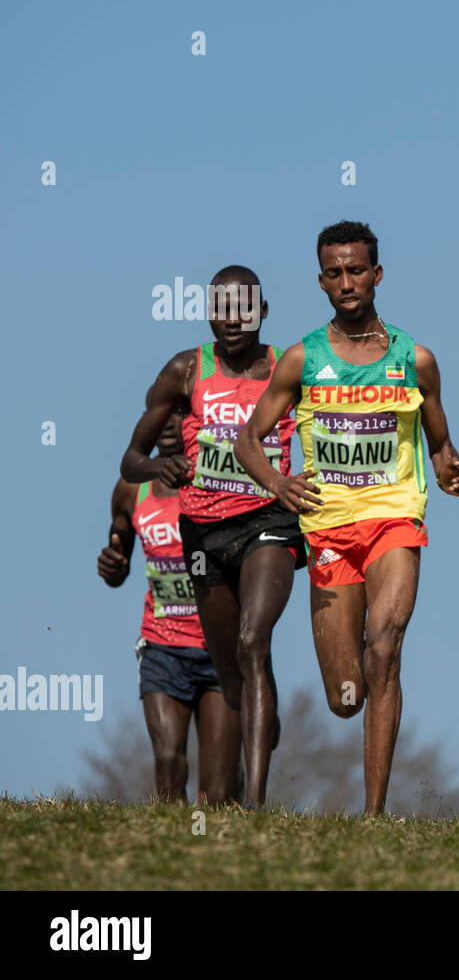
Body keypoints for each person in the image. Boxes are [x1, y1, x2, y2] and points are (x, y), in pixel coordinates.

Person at [234, 221, 459, 815]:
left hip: (395, 519)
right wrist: (277, 483)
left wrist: (452, 474)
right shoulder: (300, 359)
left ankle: (375, 814)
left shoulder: (415, 360)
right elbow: (247, 439)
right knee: (346, 697)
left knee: (384, 646)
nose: (347, 282)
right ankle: (356, 713)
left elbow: (442, 446)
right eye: (335, 273)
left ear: (377, 274)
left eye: (357, 270)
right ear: (321, 281)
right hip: (328, 530)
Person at [121, 266, 302, 809]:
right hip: (203, 532)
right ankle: (258, 716)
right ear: (208, 312)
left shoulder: (286, 368)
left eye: (244, 309)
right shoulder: (184, 370)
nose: (232, 320)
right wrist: (161, 468)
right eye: (221, 308)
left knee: (253, 637)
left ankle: (255, 808)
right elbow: (130, 460)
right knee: (232, 673)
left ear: (263, 312)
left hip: (269, 521)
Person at [99, 398, 241, 803]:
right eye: (155, 412)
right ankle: (171, 851)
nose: (165, 421)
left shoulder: (217, 480)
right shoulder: (131, 490)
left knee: (218, 792)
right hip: (162, 649)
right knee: (168, 761)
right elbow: (119, 553)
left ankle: (214, 844)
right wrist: (114, 566)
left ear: (196, 419)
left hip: (219, 651)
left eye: (178, 412)